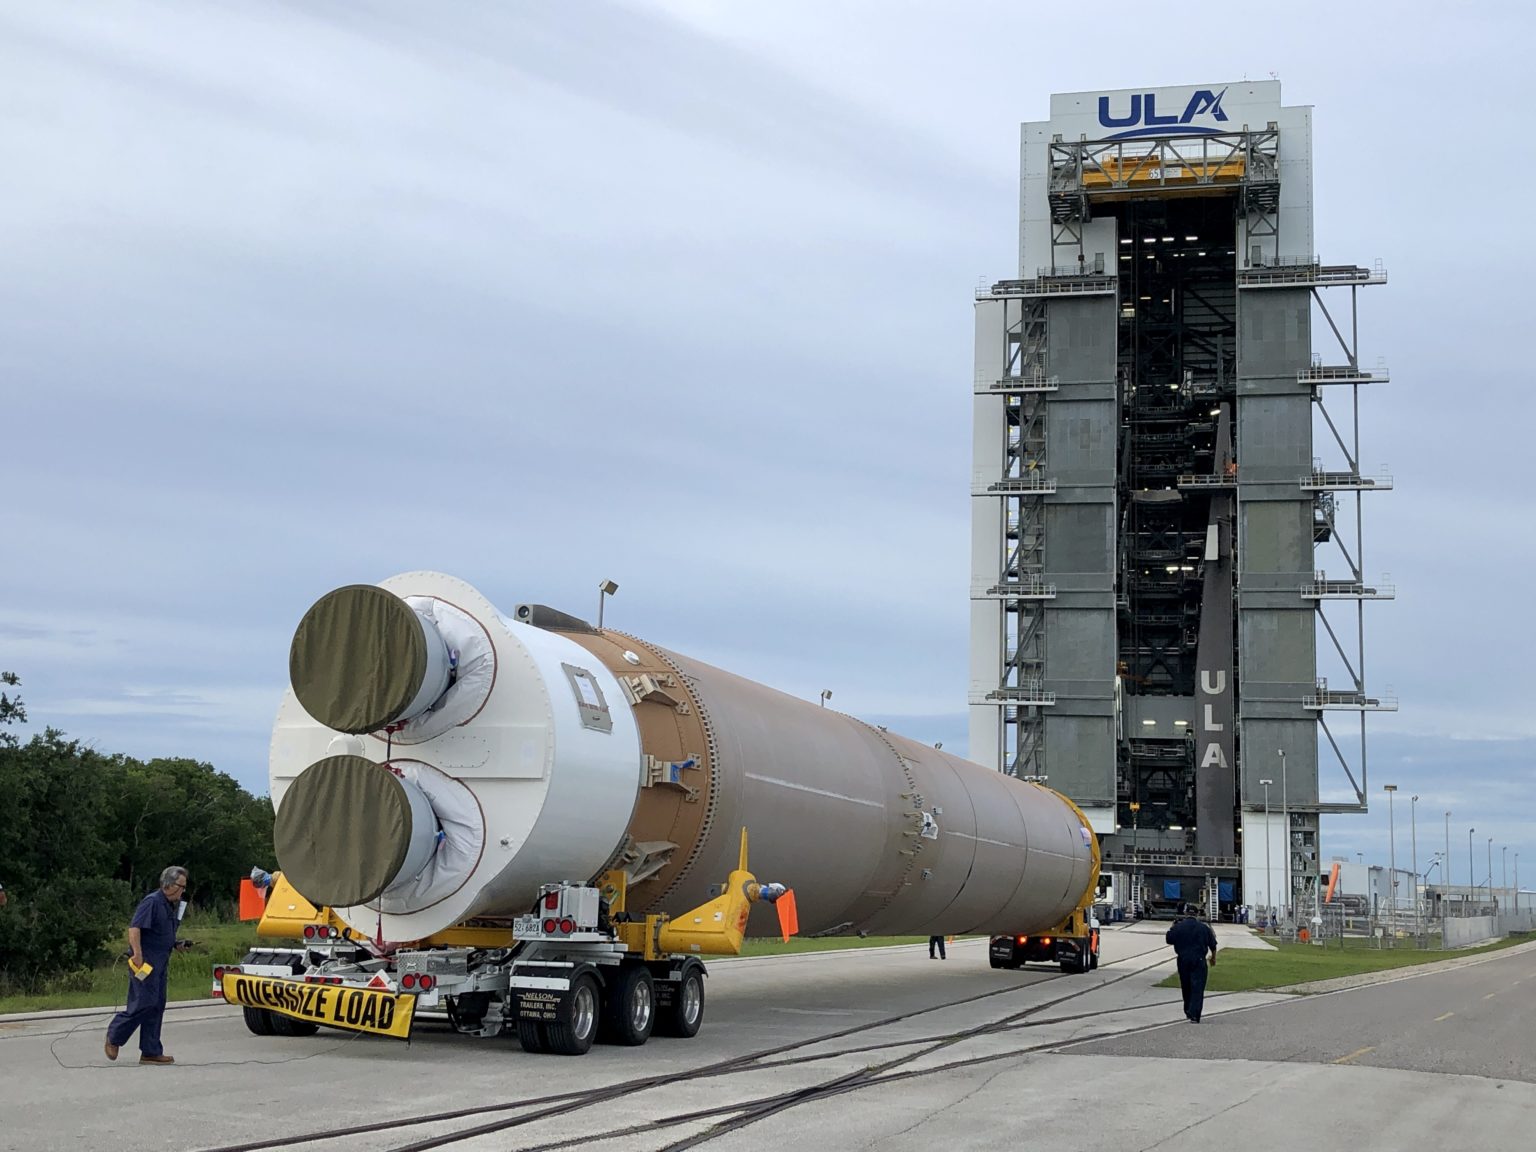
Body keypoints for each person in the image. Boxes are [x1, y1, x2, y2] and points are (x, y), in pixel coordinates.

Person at [105, 865, 190, 1065]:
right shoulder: (152, 902)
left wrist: (176, 944)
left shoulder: (171, 906)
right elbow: (134, 929)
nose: (183, 891)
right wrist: (137, 954)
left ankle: (150, 1051)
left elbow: (162, 933)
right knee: (144, 1002)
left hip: (160, 964)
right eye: (181, 886)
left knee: (157, 1004)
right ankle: (114, 1035)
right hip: (144, 963)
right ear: (169, 885)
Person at [1165, 910, 1217, 1023]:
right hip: (1199, 959)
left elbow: (1169, 939)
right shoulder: (1204, 928)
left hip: (1183, 959)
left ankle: (1188, 1010)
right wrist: (1213, 958)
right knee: (1197, 987)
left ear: (1185, 914)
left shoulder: (1178, 927)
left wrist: (1172, 927)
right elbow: (1213, 944)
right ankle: (1195, 1015)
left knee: (1186, 986)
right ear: (1197, 914)